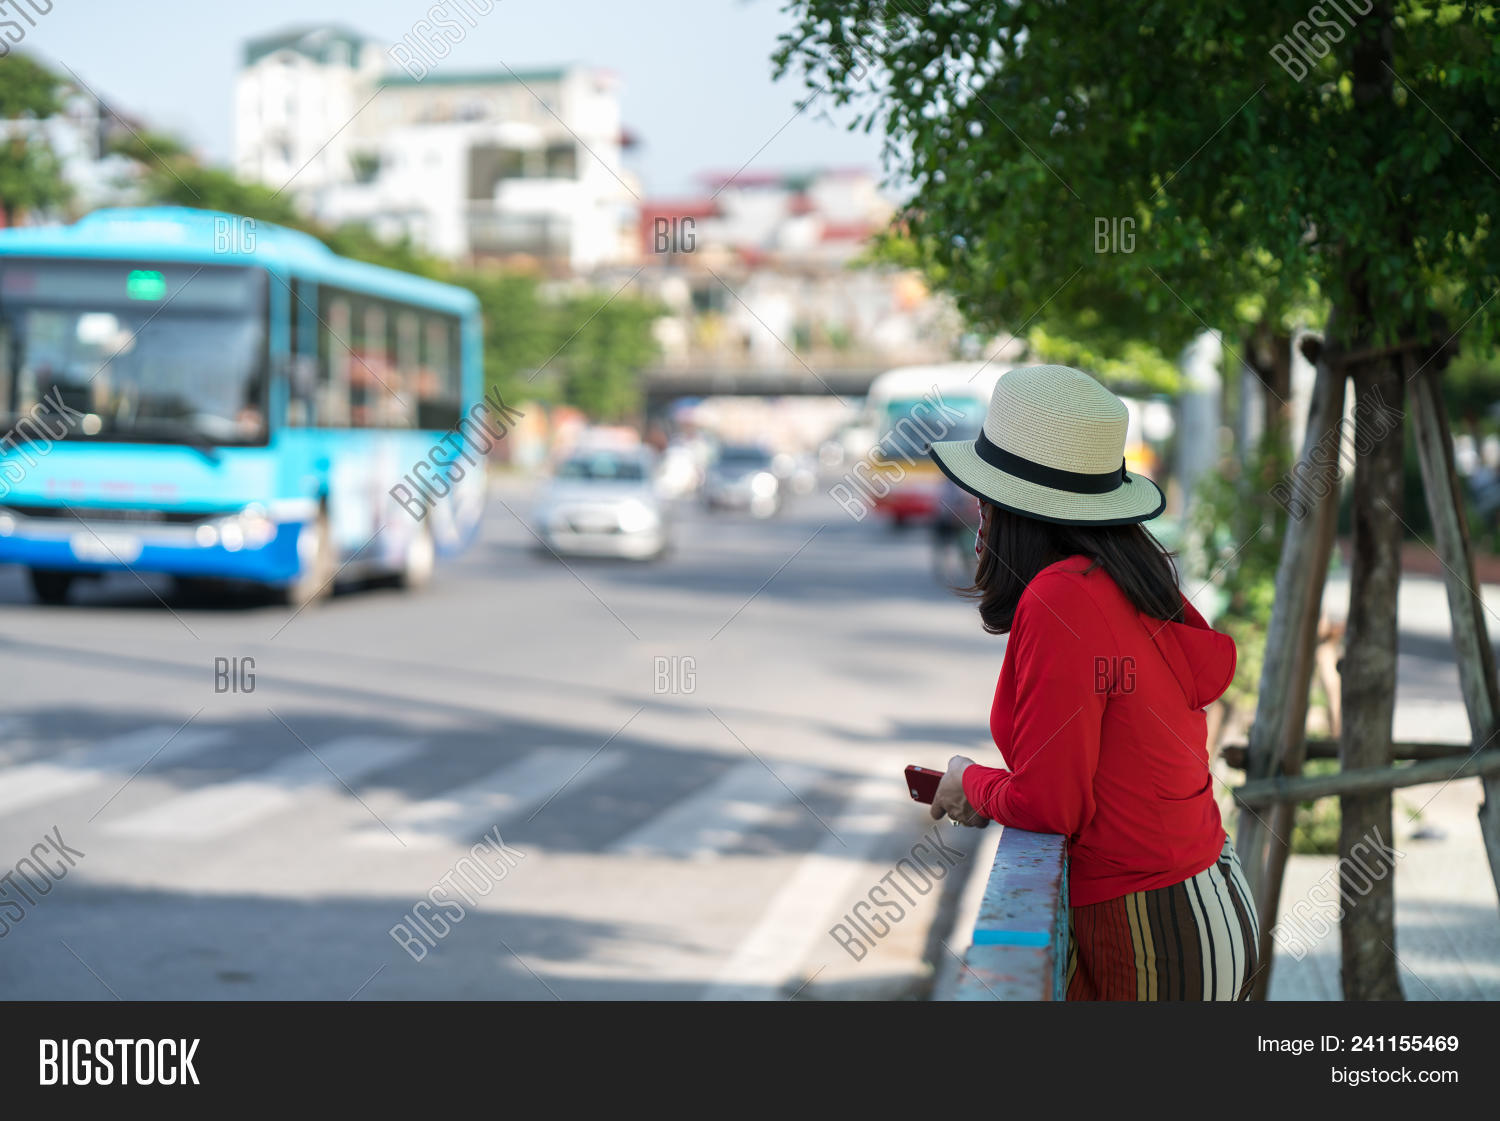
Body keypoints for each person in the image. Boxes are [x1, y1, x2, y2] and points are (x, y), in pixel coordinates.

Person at [924, 364, 1259, 1001]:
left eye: (986, 499)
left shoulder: (1061, 600)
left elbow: (1052, 804)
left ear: (1014, 508)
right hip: (1197, 898)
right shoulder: (1112, 581)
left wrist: (969, 781)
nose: (977, 518)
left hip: (1155, 924)